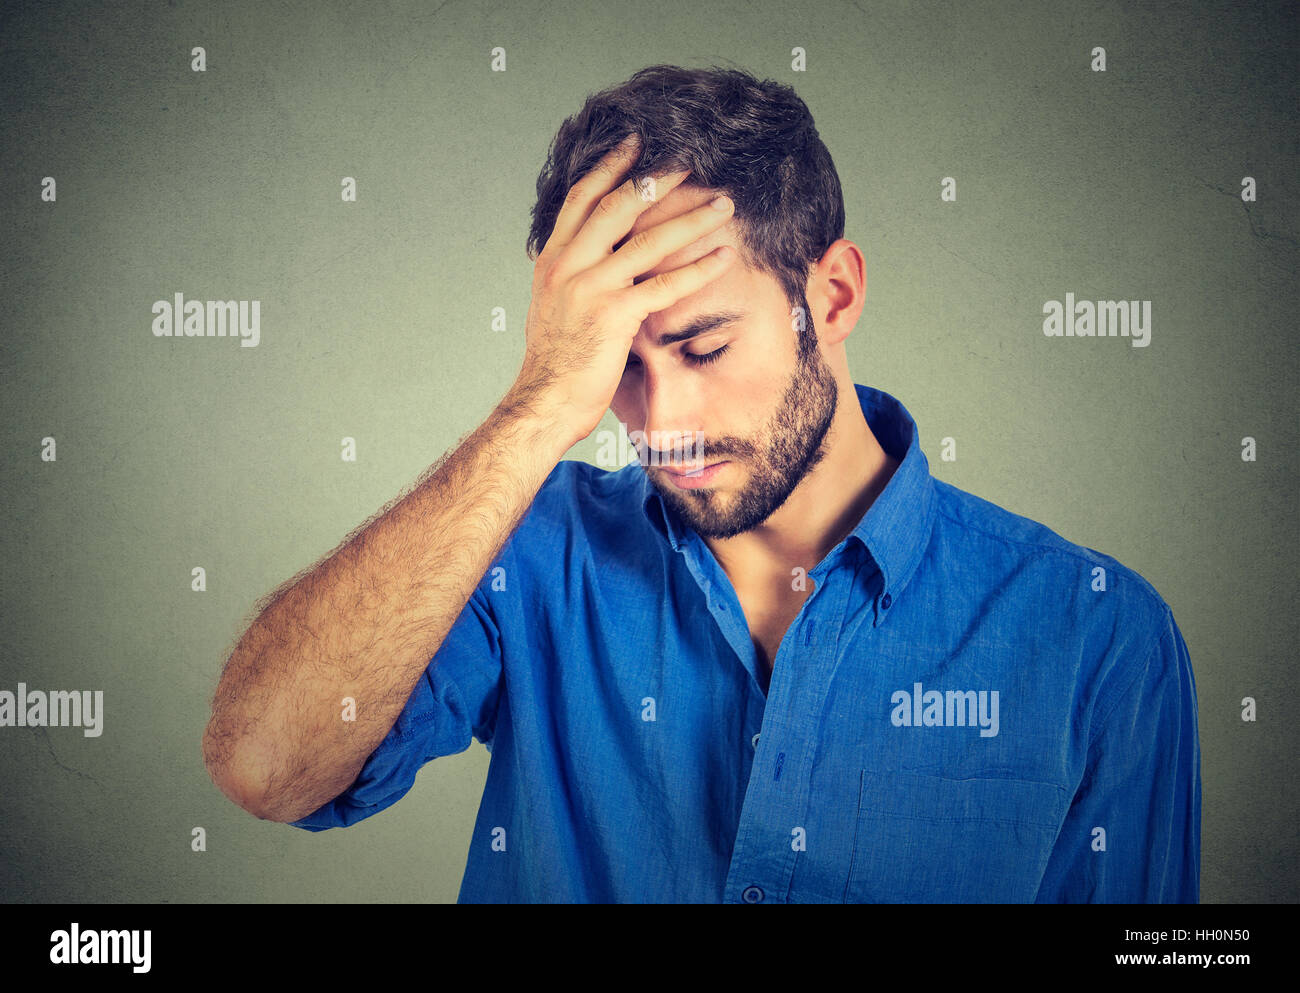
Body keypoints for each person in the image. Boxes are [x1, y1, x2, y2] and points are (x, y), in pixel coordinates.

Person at [203, 65, 1200, 903]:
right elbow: (263, 764)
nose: (663, 424)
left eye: (704, 344)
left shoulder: (1094, 632)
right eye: (614, 369)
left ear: (832, 294)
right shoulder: (531, 552)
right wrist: (542, 403)